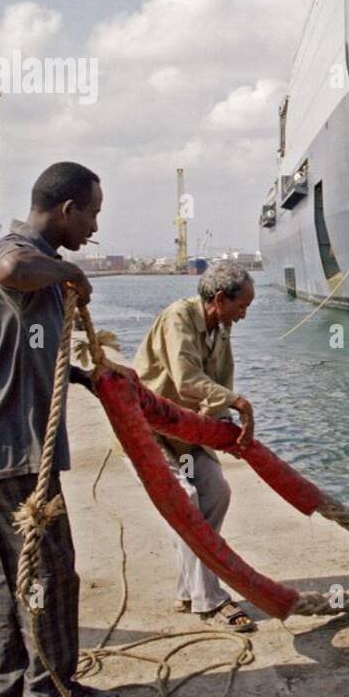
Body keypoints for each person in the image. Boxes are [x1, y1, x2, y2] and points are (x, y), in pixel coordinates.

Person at [0, 161, 120, 697]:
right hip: (8, 450)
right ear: (68, 209)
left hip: (2, 449)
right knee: (53, 568)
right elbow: (9, 268)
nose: (94, 228)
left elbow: (34, 357)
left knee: (13, 568)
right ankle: (51, 691)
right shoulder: (17, 251)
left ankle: (2, 686)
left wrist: (87, 379)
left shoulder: (47, 271)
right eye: (91, 213)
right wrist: (66, 273)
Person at [134, 262, 258, 632]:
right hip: (148, 431)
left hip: (187, 434)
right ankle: (210, 600)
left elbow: (219, 383)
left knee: (215, 492)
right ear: (219, 299)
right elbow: (188, 380)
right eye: (242, 306)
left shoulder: (221, 329)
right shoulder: (179, 319)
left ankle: (189, 587)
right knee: (185, 500)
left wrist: (226, 420)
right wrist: (239, 403)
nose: (244, 314)